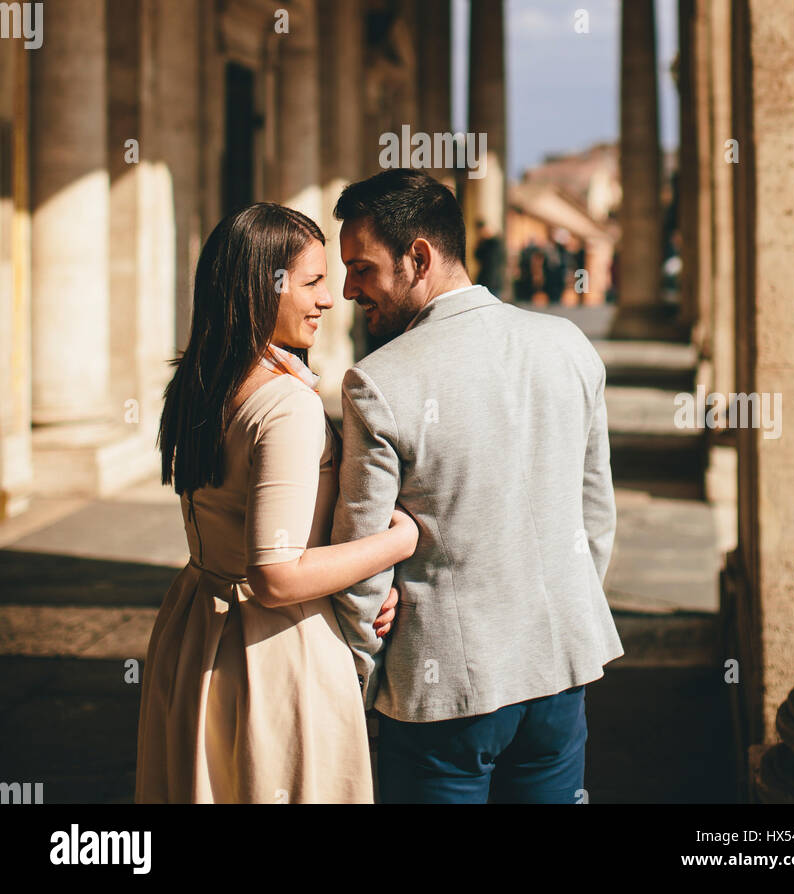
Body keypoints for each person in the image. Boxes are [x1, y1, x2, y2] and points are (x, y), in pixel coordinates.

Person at [329, 169, 623, 804]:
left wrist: (359, 674)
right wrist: (562, 607)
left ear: (419, 257)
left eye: (362, 268)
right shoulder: (568, 345)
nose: (349, 288)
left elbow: (360, 562)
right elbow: (595, 514)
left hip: (443, 697)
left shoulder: (377, 382)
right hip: (559, 668)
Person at [135, 202, 419, 804]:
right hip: (270, 653)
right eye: (313, 282)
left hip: (193, 631)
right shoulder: (286, 405)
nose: (330, 299)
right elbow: (276, 574)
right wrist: (397, 542)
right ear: (262, 285)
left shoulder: (200, 380)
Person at [473, 219, 506, 296]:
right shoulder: (484, 244)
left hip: (493, 281)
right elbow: (477, 257)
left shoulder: (495, 243)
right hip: (485, 280)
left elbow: (495, 262)